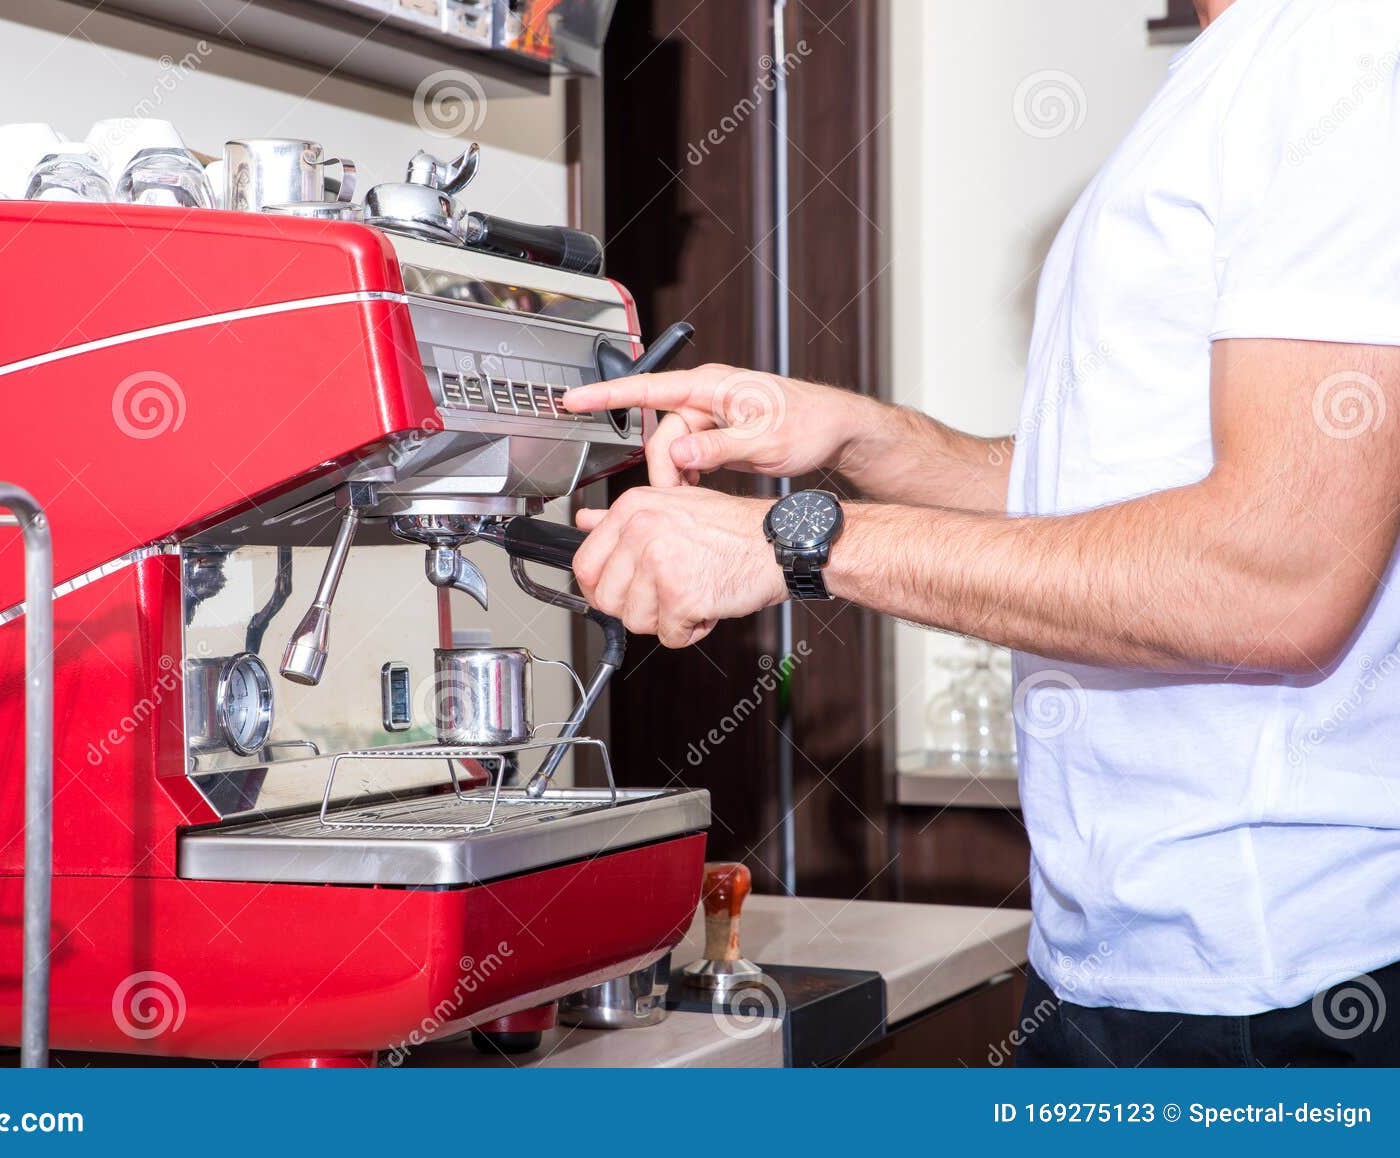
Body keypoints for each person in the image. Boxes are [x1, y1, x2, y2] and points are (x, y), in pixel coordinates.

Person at [561, 0, 1400, 1065]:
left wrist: (789, 542)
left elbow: (1274, 576)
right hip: (1126, 960)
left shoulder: (1340, 45)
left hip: (1275, 991)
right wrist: (862, 437)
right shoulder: (1242, 65)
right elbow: (1107, 496)